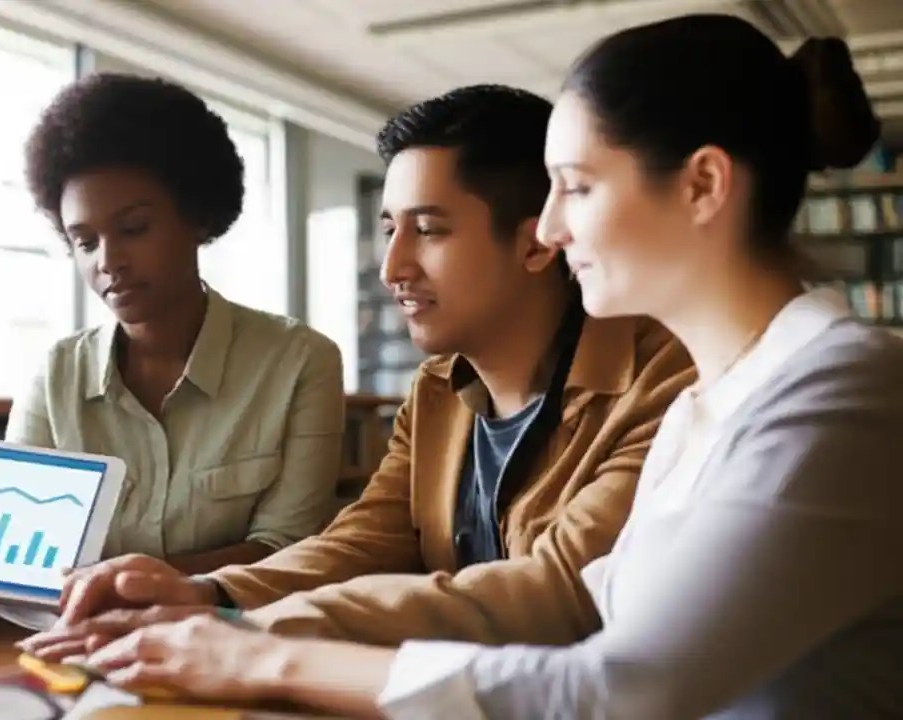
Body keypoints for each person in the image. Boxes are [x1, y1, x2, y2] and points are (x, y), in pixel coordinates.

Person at [48, 14, 903, 719]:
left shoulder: (838, 394)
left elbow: (608, 669)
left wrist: (259, 648)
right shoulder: (709, 408)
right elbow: (585, 607)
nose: (554, 229)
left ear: (703, 186)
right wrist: (222, 604)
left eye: (576, 186)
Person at [21, 84, 694, 660]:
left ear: (534, 241)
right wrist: (208, 593)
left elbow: (562, 592)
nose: (392, 268)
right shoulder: (437, 393)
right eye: (388, 229)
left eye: (428, 230)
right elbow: (361, 541)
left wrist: (242, 625)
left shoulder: (663, 380)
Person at [0, 73, 346, 632]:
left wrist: (127, 586)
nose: (108, 260)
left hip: (232, 645)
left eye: (134, 228)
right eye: (84, 241)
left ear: (197, 217)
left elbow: (289, 550)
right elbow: (15, 561)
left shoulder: (299, 362)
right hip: (76, 646)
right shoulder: (55, 375)